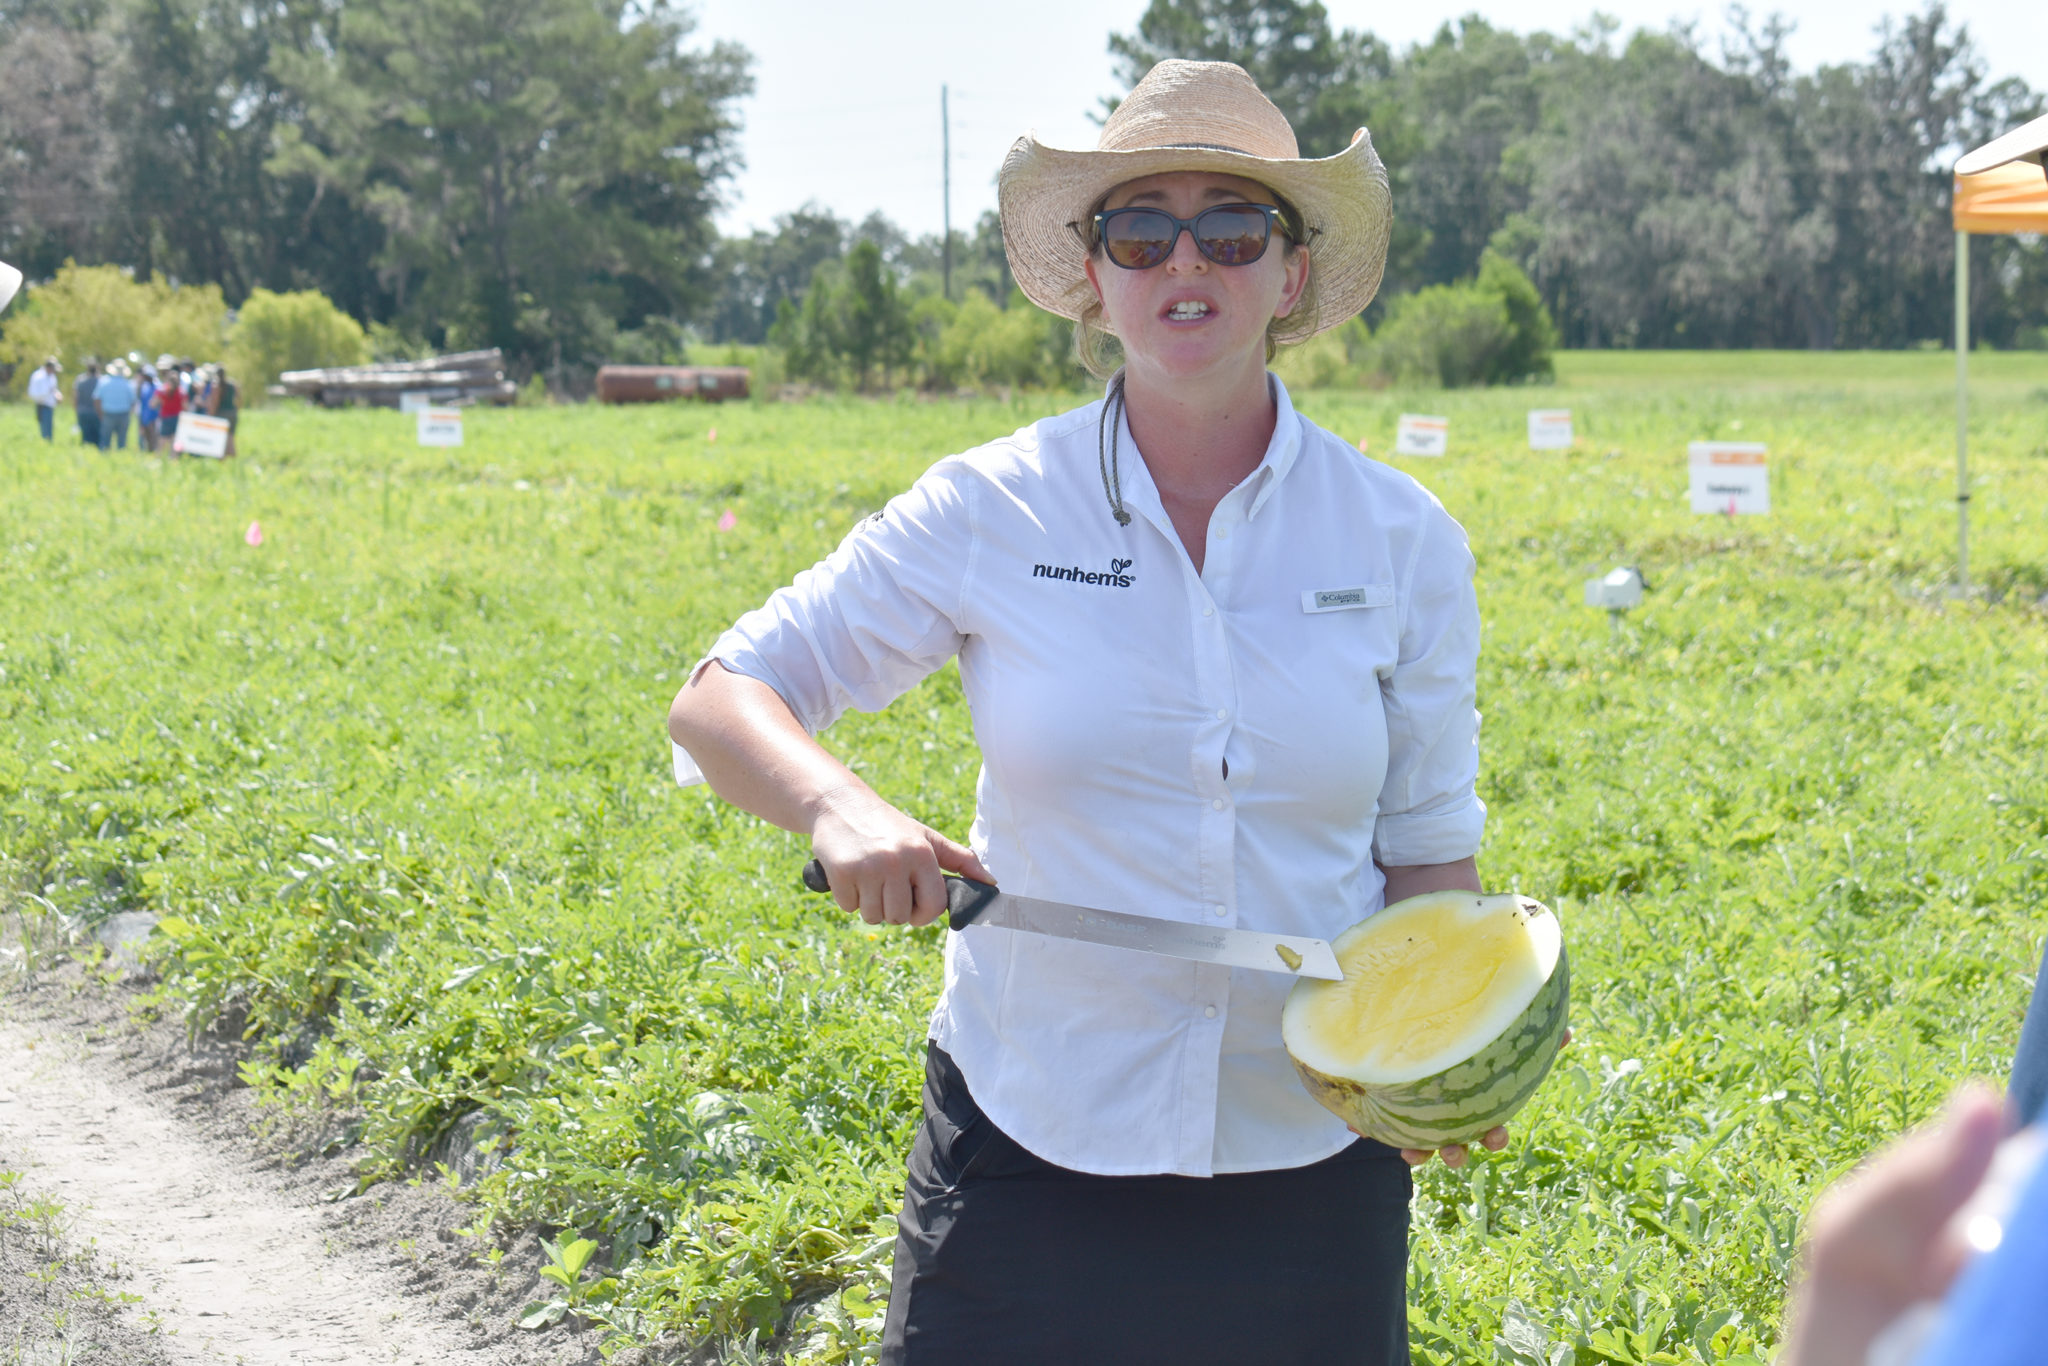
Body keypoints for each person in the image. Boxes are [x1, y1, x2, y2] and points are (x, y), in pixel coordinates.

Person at [668, 60, 1493, 1364]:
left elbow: (1427, 855)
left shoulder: (1403, 541)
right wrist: (837, 804)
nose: (1187, 260)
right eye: (1139, 227)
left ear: (1289, 276)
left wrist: (1452, 1040)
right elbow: (722, 695)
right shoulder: (992, 508)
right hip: (1030, 1135)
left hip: (1310, 1159)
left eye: (1232, 228)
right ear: (1095, 272)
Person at [95, 359, 136, 450]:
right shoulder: (128, 384)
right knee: (122, 440)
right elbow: (133, 401)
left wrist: (100, 413)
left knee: (105, 439)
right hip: (123, 414)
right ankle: (120, 457)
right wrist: (130, 414)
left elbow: (97, 399)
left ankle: (104, 457)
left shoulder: (104, 382)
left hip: (108, 413)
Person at [26, 357, 61, 441]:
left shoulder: (52, 376)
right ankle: (45, 444)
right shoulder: (38, 377)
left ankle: (48, 444)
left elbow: (54, 389)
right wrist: (49, 392)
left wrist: (58, 395)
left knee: (49, 428)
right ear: (49, 368)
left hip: (50, 405)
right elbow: (34, 393)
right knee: (45, 429)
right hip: (42, 405)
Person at [157, 359, 185, 453]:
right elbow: (186, 406)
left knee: (163, 439)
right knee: (174, 439)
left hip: (166, 417)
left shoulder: (163, 390)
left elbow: (153, 403)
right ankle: (173, 458)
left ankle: (159, 456)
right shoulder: (181, 391)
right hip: (177, 417)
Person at [73, 360, 101, 449]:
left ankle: (86, 453)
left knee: (85, 436)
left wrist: (76, 410)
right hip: (97, 412)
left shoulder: (80, 381)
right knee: (97, 436)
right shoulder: (101, 381)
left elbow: (75, 397)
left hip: (83, 411)